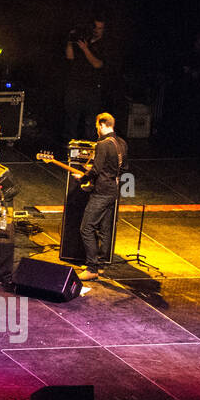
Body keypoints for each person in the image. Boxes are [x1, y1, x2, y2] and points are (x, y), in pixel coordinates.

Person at [76, 113, 129, 280]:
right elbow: (125, 167)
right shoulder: (122, 143)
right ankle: (100, 264)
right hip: (114, 190)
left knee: (86, 228)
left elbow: (96, 169)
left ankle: (92, 269)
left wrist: (83, 178)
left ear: (103, 125)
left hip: (102, 192)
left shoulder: (103, 144)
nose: (96, 129)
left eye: (98, 126)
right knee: (104, 229)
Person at [64, 18, 112, 142]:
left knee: (90, 122)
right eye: (95, 27)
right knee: (72, 119)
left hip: (92, 88)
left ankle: (89, 149)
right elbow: (70, 57)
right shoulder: (85, 39)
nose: (97, 30)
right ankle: (71, 148)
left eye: (100, 28)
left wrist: (85, 49)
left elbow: (98, 64)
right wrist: (70, 42)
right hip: (75, 85)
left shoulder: (105, 44)